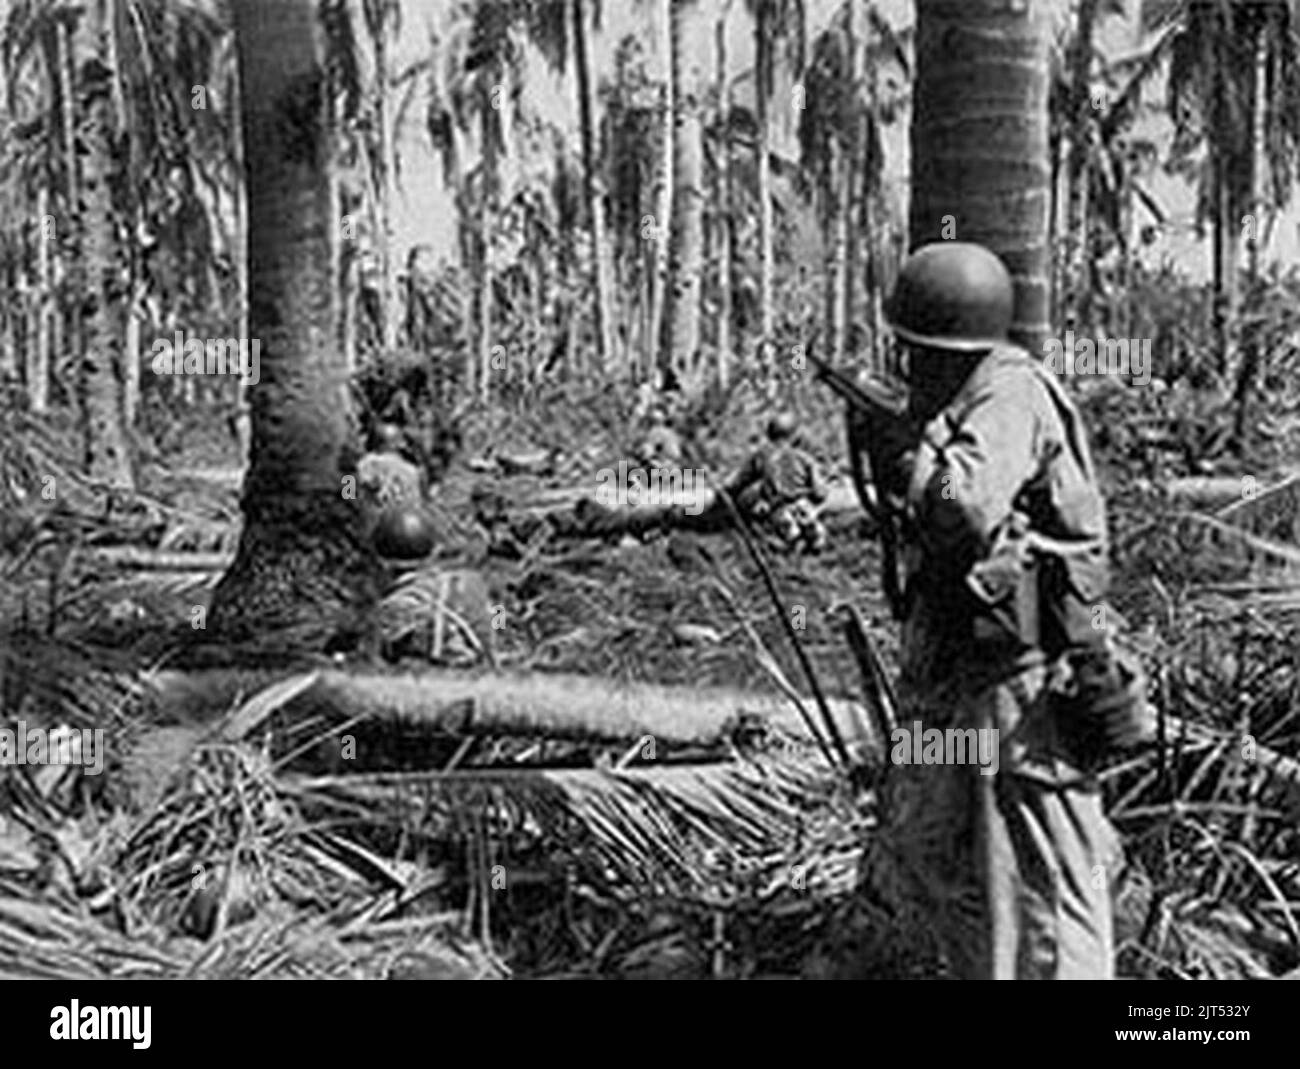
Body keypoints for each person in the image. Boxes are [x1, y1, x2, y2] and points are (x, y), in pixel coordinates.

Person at [847, 241, 1151, 980]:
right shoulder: (970, 395)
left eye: (917, 352)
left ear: (947, 347)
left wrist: (912, 459)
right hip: (969, 686)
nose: (911, 367)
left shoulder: (1009, 392)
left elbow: (965, 503)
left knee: (1046, 887)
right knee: (937, 849)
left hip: (1027, 689)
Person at [728, 412, 828, 554]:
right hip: (803, 504)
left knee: (774, 526)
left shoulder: (760, 457)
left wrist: (729, 492)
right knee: (810, 525)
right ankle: (812, 533)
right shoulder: (804, 458)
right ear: (794, 436)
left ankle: (790, 538)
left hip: (777, 508)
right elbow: (820, 492)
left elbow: (738, 483)